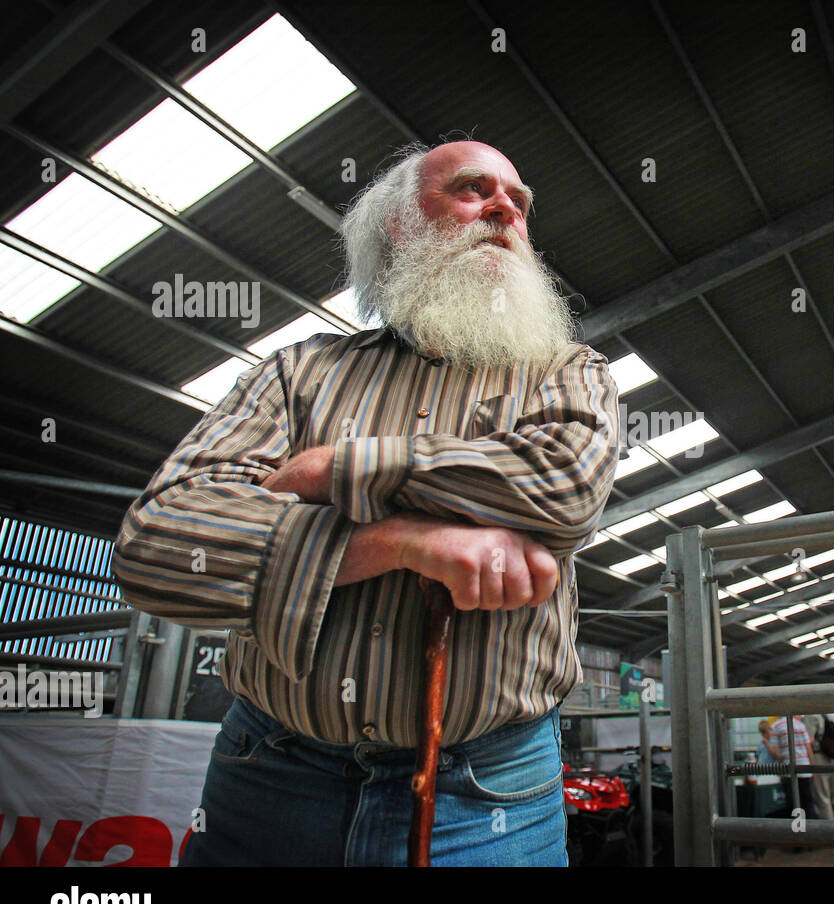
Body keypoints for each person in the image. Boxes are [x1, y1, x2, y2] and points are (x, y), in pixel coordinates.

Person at [113, 140, 621, 866]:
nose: (506, 207)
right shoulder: (299, 371)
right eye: (473, 190)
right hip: (269, 779)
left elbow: (565, 491)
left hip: (488, 792)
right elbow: (160, 541)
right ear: (400, 225)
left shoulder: (569, 372)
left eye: (519, 201)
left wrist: (338, 467)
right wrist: (404, 542)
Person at [762, 715, 817, 820]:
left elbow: (776, 754)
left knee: (794, 805)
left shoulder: (776, 726)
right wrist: (812, 768)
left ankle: (797, 829)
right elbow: (808, 748)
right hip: (805, 770)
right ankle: (811, 829)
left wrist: (768, 746)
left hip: (788, 772)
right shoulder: (800, 725)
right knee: (808, 803)